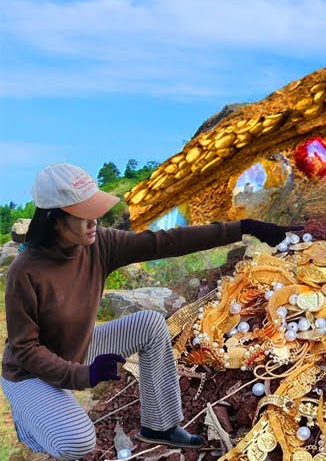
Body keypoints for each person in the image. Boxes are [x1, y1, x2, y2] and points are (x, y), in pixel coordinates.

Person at [1, 163, 300, 459]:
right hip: (30, 373)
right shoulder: (25, 272)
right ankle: (31, 422)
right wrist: (83, 375)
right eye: (83, 215)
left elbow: (163, 242)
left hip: (77, 347)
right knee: (77, 442)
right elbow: (26, 349)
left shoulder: (99, 244)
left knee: (151, 324)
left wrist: (244, 228)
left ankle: (161, 426)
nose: (94, 221)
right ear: (54, 220)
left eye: (95, 210)